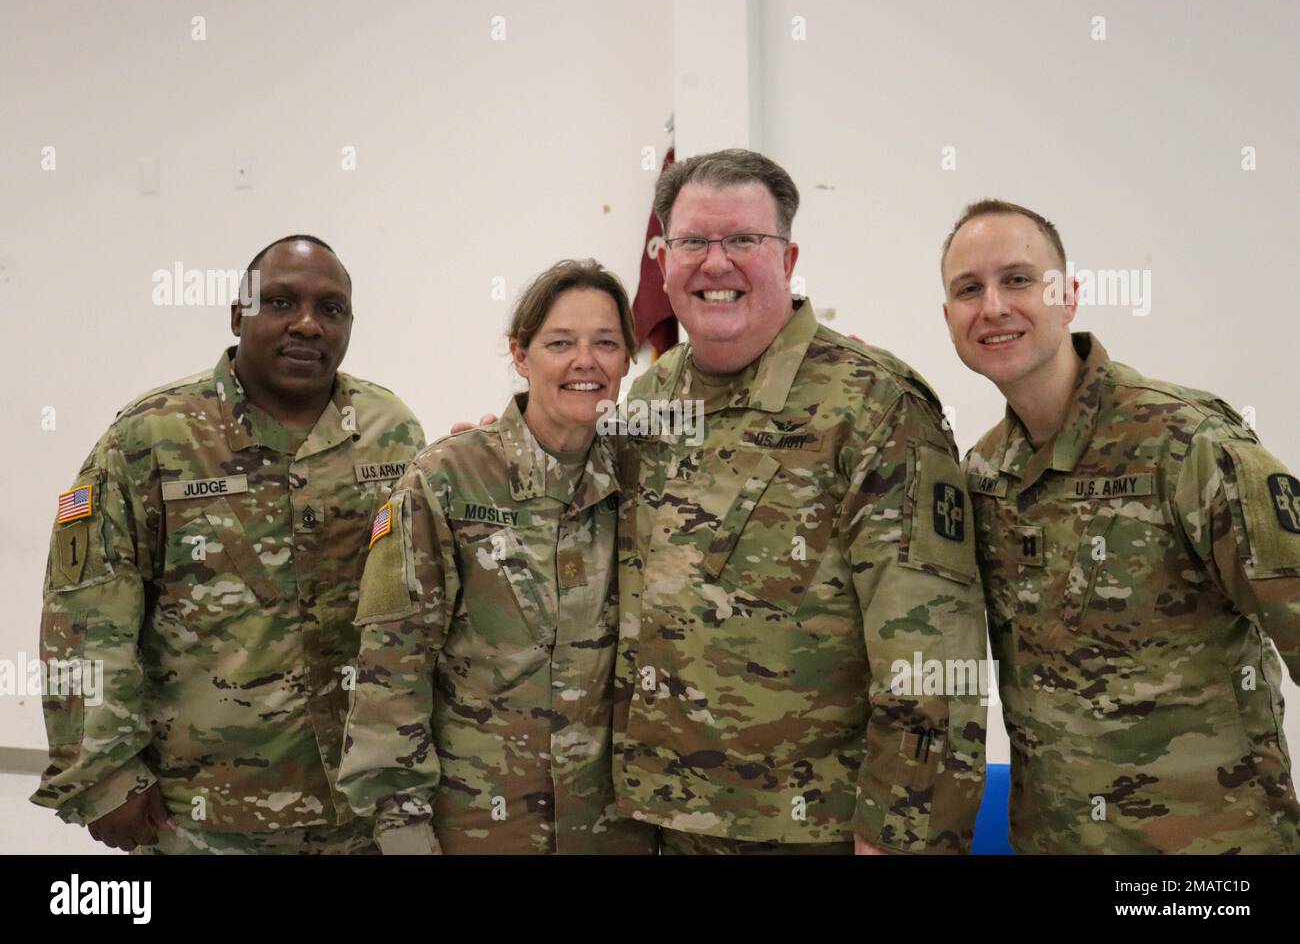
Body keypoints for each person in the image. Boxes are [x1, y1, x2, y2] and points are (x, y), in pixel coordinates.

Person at [613, 150, 989, 854]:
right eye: (693, 241)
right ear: (663, 261)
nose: (715, 262)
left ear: (787, 260)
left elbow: (934, 655)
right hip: (660, 816)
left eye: (744, 241)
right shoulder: (652, 397)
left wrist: (900, 837)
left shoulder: (874, 404)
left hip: (813, 831)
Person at [32, 235, 425, 853]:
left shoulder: (389, 429)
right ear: (238, 314)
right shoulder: (152, 436)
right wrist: (104, 774)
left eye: (331, 309)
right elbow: (84, 616)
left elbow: (412, 604)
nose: (307, 324)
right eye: (279, 302)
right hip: (204, 809)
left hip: (357, 804)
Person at [942, 198, 1300, 854]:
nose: (992, 306)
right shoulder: (985, 476)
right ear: (949, 319)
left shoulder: (1187, 445)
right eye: (969, 289)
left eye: (1018, 279)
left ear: (1068, 296)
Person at [337, 260, 657, 854]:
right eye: (560, 342)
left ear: (627, 359)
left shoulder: (648, 476)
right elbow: (393, 665)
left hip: (613, 835)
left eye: (606, 343)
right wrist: (404, 834)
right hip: (479, 828)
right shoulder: (447, 480)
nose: (584, 361)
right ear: (520, 354)